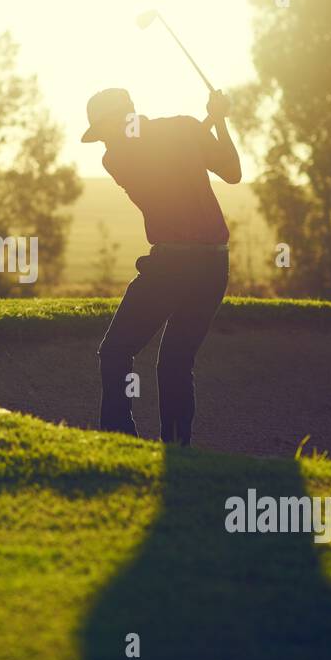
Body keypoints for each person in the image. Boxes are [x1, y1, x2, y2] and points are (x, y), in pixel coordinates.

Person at [81, 86, 240, 445]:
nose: (104, 145)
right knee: (176, 361)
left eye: (103, 133)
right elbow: (230, 170)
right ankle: (178, 448)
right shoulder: (178, 130)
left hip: (174, 265)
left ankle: (119, 442)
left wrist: (216, 121)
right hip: (215, 263)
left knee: (116, 351)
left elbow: (190, 165)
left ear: (121, 120)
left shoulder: (120, 155)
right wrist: (214, 122)